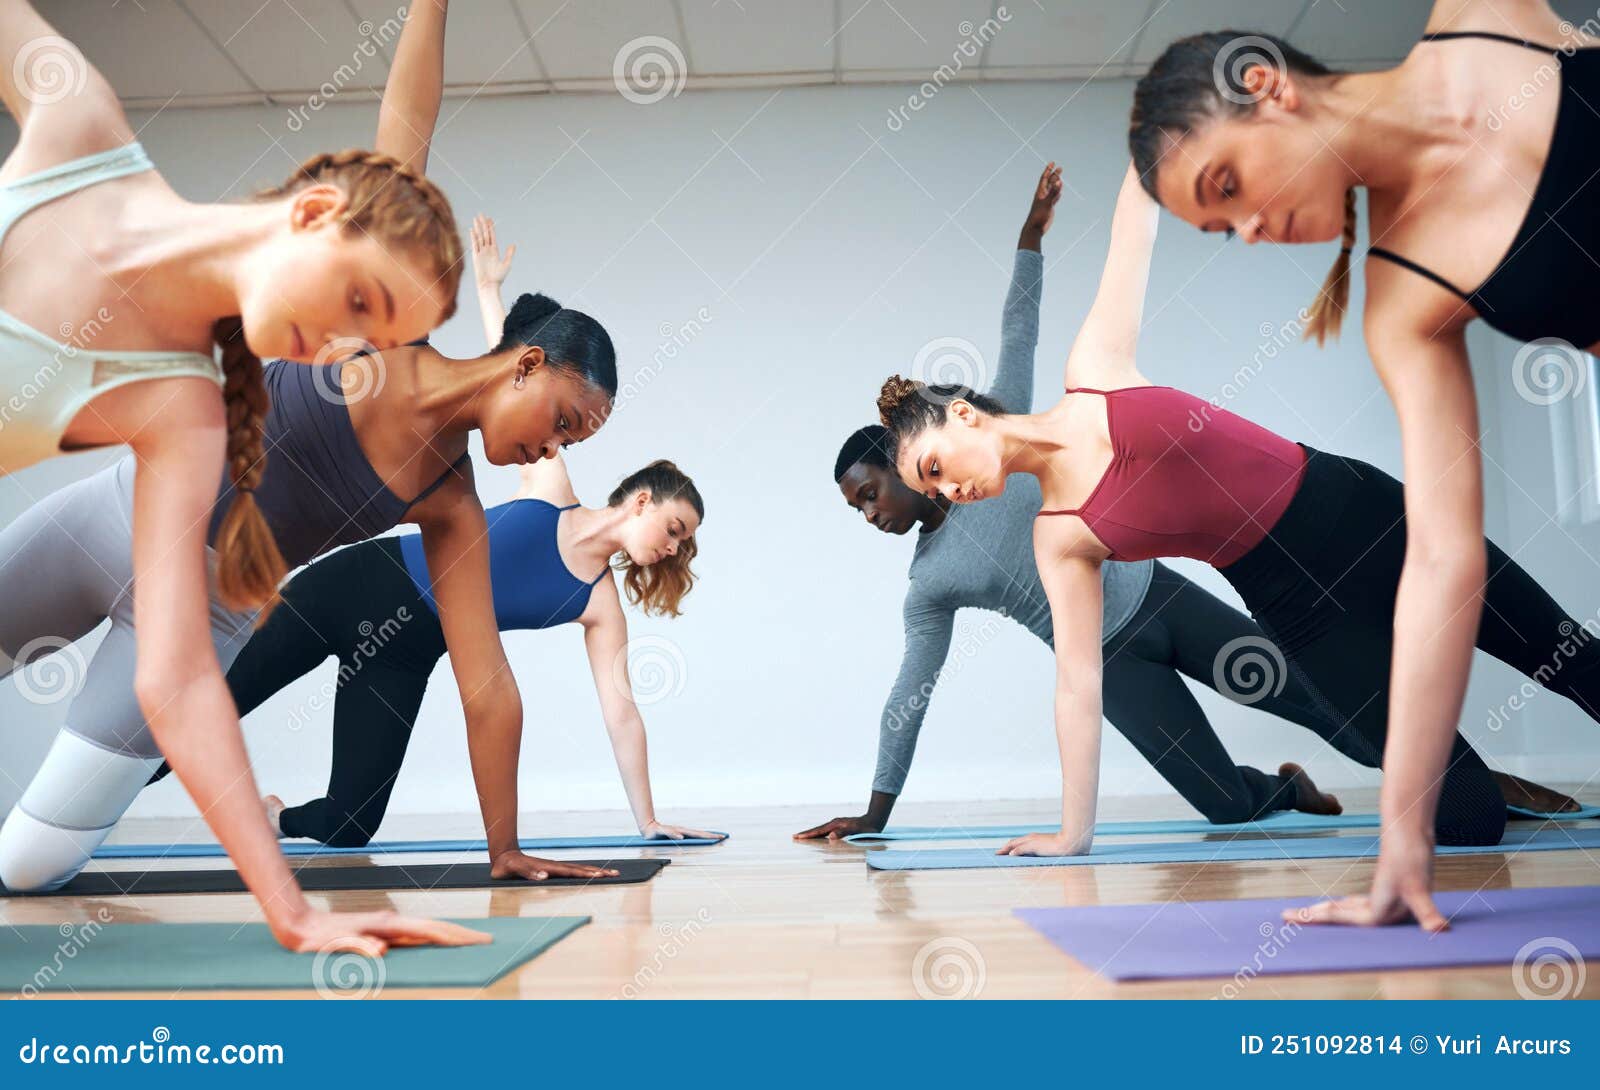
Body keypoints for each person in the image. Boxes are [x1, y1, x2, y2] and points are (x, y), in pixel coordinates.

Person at [873, 167, 1600, 932]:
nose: (943, 489)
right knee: (1467, 819)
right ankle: (1496, 789)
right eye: (931, 486)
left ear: (964, 415)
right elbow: (1078, 686)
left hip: (1358, 512)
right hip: (1292, 604)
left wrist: (1146, 148)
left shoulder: (1095, 373)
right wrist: (1072, 832)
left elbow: (1134, 233)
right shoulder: (1059, 536)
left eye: (934, 467)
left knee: (1566, 656)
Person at [0, 0, 478, 954]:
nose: (349, 342)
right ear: (312, 213)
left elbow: (175, 678)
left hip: (190, 577)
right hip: (85, 527)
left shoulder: (185, 411)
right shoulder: (80, 129)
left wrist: (293, 911)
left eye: (373, 339)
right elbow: (403, 138)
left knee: (24, 866)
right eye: (358, 302)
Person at [1127, 0, 1599, 928]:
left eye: (1226, 186)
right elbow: (1440, 559)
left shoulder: (1480, 18)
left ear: (1266, 86)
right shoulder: (1403, 299)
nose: (1248, 232)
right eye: (1221, 230)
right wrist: (1403, 851)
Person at [801, 164, 1403, 843]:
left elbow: (1018, 331)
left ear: (902, 459)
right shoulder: (929, 585)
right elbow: (908, 699)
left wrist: (1030, 237)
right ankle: (1284, 785)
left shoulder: (996, 433)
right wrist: (872, 815)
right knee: (1228, 807)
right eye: (857, 510)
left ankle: (1467, 785)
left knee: (1321, 703)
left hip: (1162, 598)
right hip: (1108, 661)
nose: (870, 513)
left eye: (869, 493)